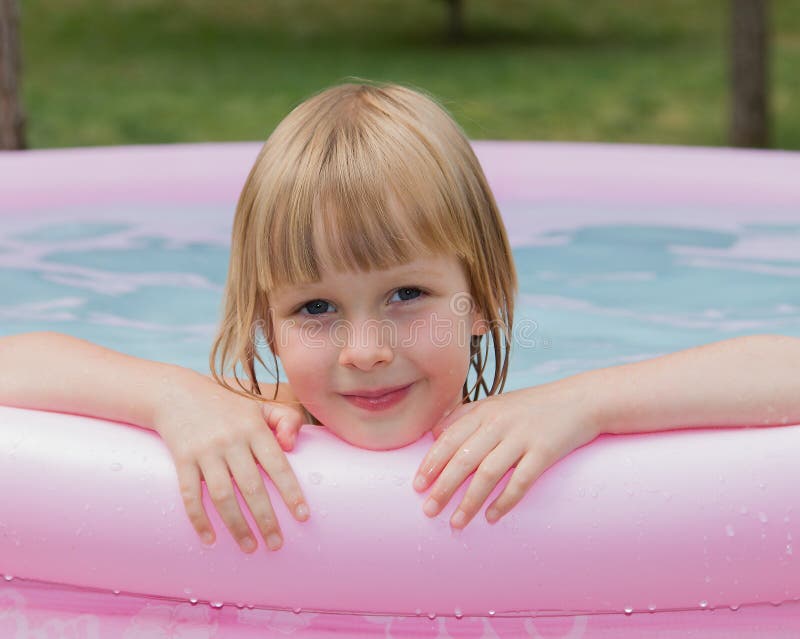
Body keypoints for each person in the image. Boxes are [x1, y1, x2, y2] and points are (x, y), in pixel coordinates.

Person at [2, 82, 799, 557]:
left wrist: (588, 402)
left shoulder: (518, 430)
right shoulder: (255, 416)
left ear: (480, 297)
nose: (364, 350)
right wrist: (167, 397)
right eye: (314, 307)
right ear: (266, 325)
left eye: (406, 295)